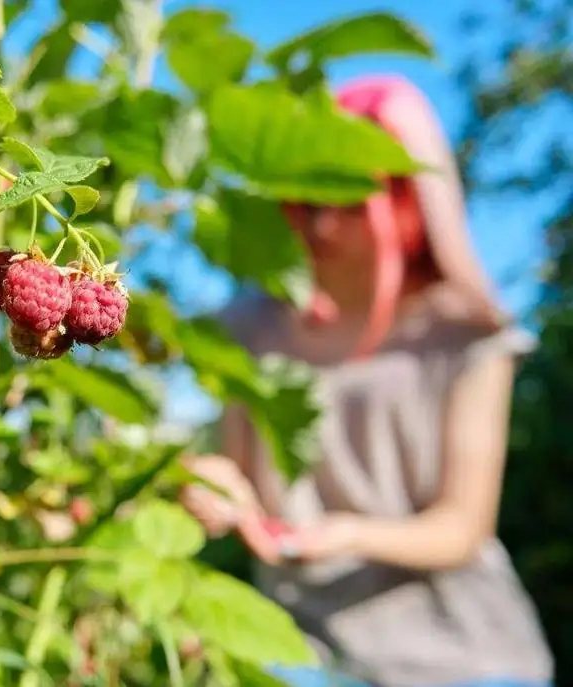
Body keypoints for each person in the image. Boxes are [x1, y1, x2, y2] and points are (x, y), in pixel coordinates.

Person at [179, 75, 554, 687]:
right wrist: (212, 486)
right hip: (304, 651)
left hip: (461, 651)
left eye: (351, 204)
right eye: (307, 203)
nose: (323, 227)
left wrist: (347, 535)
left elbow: (463, 526)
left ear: (409, 199)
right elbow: (240, 477)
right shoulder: (248, 326)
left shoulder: (466, 335)